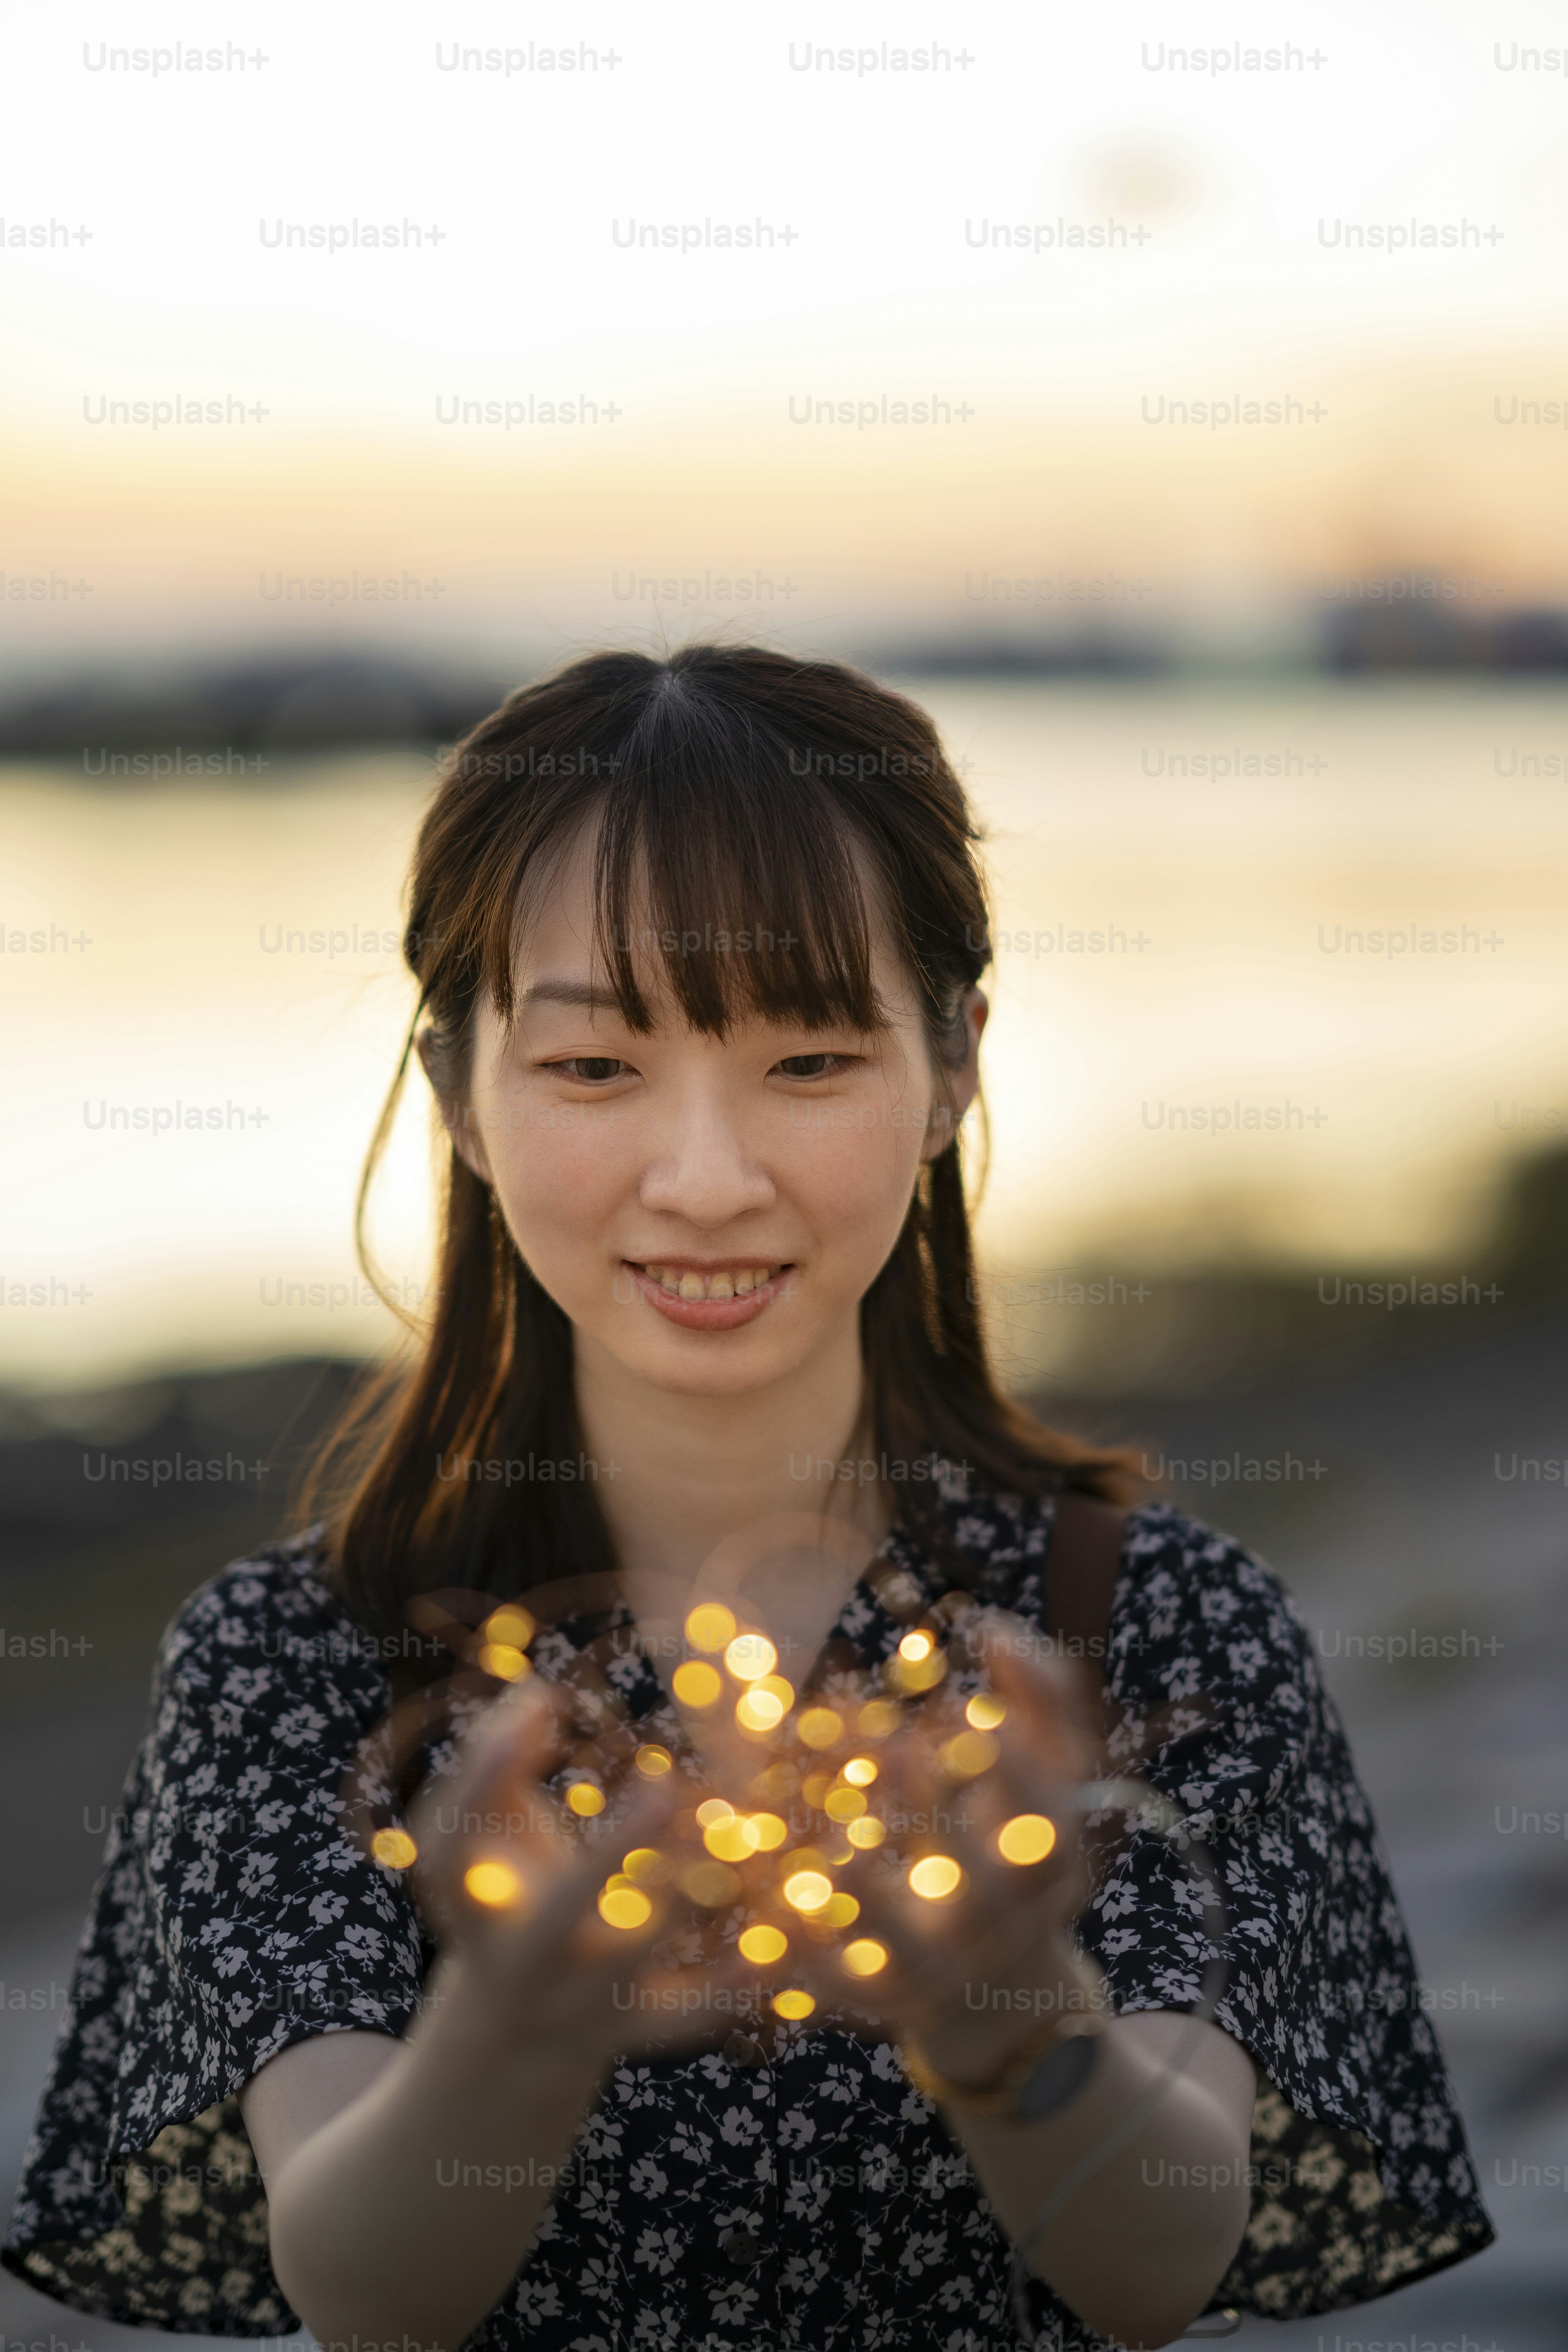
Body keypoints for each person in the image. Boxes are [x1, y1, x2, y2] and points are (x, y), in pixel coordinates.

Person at [5, 646, 1492, 2352]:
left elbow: (1155, 2269)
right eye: (593, 1067)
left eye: (809, 1062)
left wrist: (1004, 2009)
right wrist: (518, 2028)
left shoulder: (1148, 1629)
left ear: (954, 1067)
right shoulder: (300, 1664)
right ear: (460, 1094)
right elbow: (364, 2292)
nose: (706, 1182)